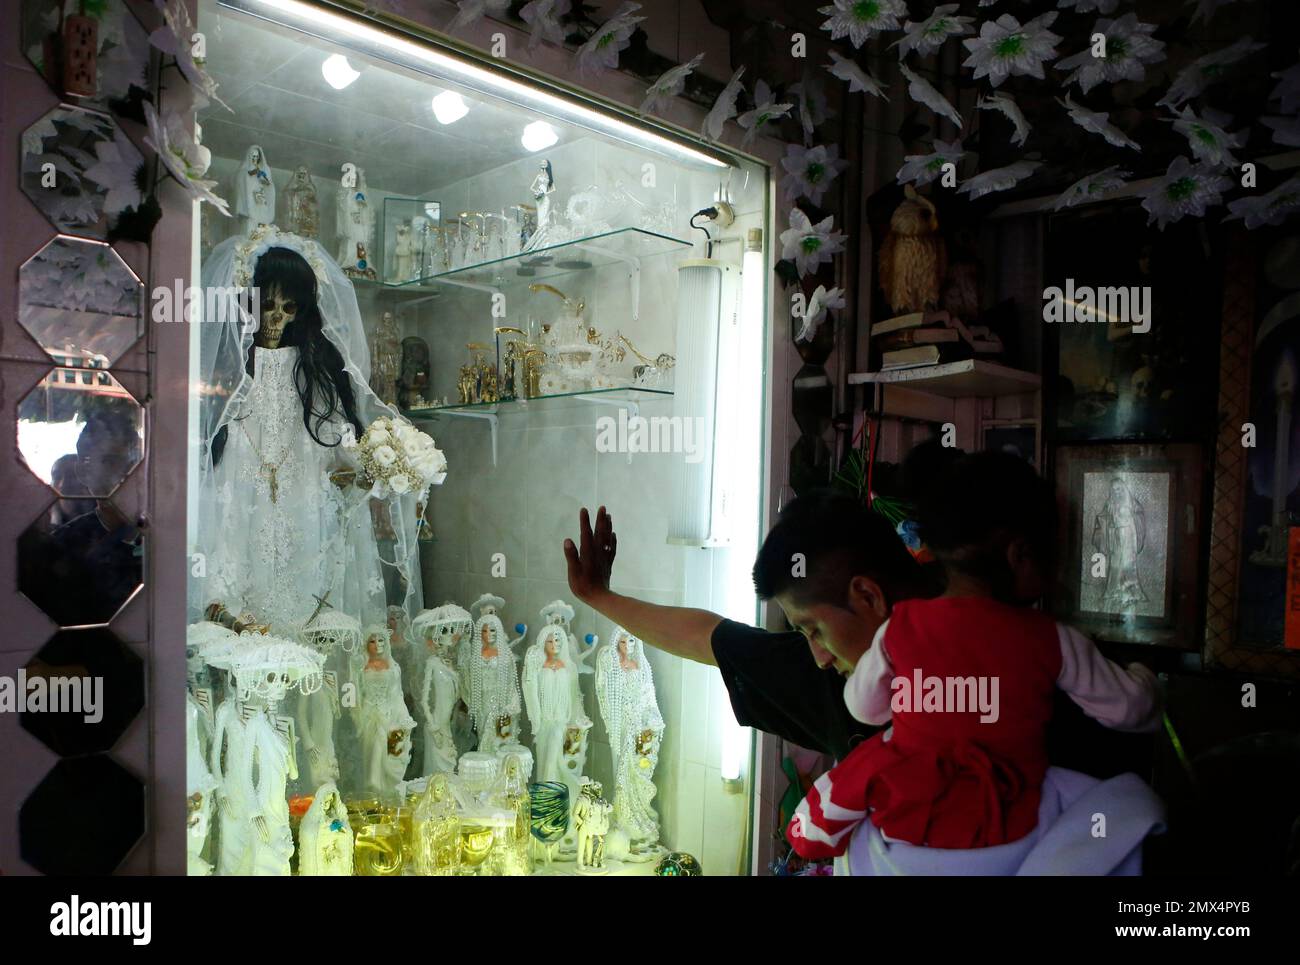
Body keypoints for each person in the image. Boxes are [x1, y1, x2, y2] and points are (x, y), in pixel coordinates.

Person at [785, 451, 1163, 860]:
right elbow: (1131, 709)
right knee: (1132, 802)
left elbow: (864, 709)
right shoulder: (1050, 639)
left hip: (911, 839)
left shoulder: (900, 627)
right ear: (1020, 555)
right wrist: (1144, 675)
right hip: (1011, 837)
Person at [563, 492, 936, 762]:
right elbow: (706, 637)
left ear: (868, 597)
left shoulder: (976, 667)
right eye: (804, 634)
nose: (819, 657)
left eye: (815, 629)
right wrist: (598, 597)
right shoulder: (832, 677)